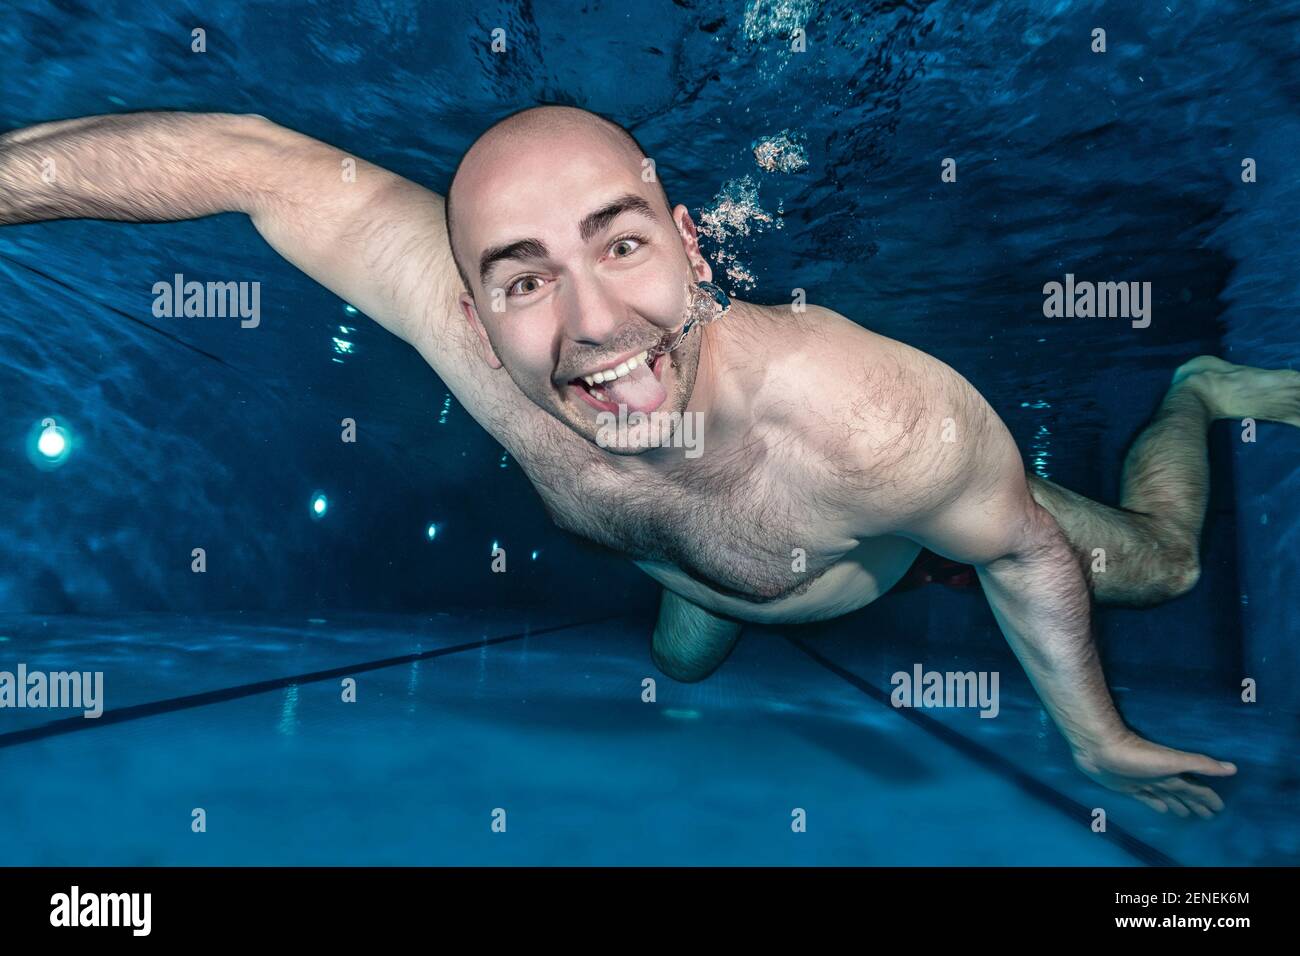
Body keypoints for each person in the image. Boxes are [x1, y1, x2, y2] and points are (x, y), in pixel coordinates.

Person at [7, 105, 1294, 818]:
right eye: (522, 278)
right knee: (682, 649)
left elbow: (1014, 548)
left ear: (689, 241)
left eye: (619, 247)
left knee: (1165, 568)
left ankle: (1194, 390)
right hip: (706, 570)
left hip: (909, 533)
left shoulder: (875, 421)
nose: (590, 327)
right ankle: (700, 595)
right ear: (466, 300)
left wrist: (1096, 737)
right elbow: (246, 159)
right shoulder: (465, 331)